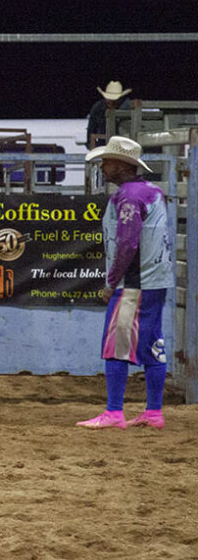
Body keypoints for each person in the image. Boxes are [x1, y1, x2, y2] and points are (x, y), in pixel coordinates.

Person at [76, 136, 172, 430]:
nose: (103, 166)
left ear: (121, 164)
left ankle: (114, 412)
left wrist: (110, 282)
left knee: (117, 344)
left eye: (106, 161)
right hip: (155, 280)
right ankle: (153, 412)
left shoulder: (128, 196)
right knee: (153, 343)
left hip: (135, 282)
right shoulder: (151, 192)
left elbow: (128, 243)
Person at [85, 80, 133, 149]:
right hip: (102, 146)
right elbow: (91, 129)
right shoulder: (98, 107)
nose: (110, 101)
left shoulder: (127, 106)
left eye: (114, 100)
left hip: (124, 147)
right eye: (109, 99)